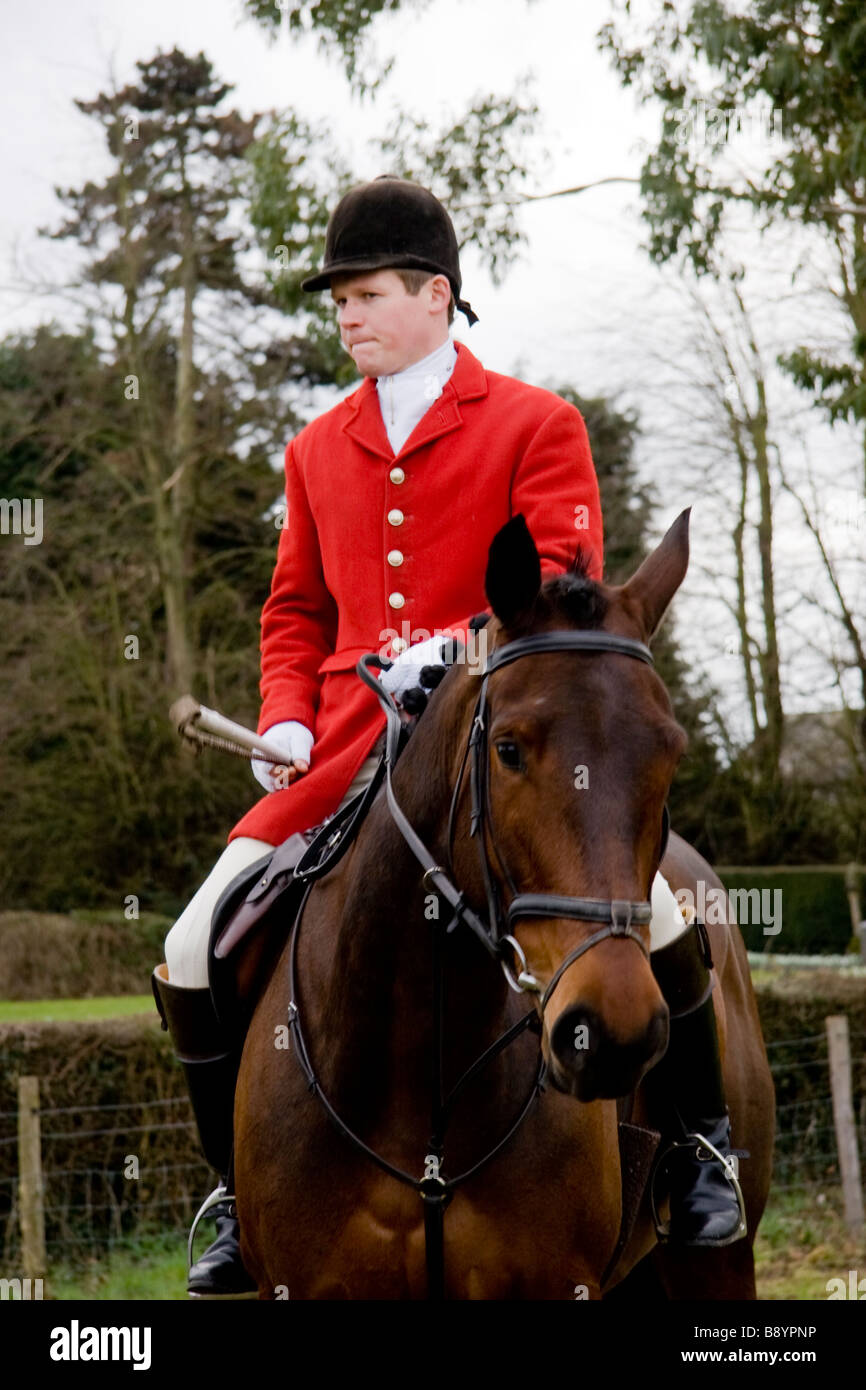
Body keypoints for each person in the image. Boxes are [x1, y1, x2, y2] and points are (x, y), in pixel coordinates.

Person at [152, 175, 744, 1298]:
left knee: (659, 916)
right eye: (337, 298)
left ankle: (701, 1145)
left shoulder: (535, 421)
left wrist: (456, 651)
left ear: (434, 295)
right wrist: (283, 708)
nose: (345, 314)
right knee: (190, 943)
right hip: (337, 753)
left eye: (365, 292)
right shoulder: (314, 448)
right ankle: (235, 1188)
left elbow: (563, 584)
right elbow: (296, 613)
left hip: (501, 735)